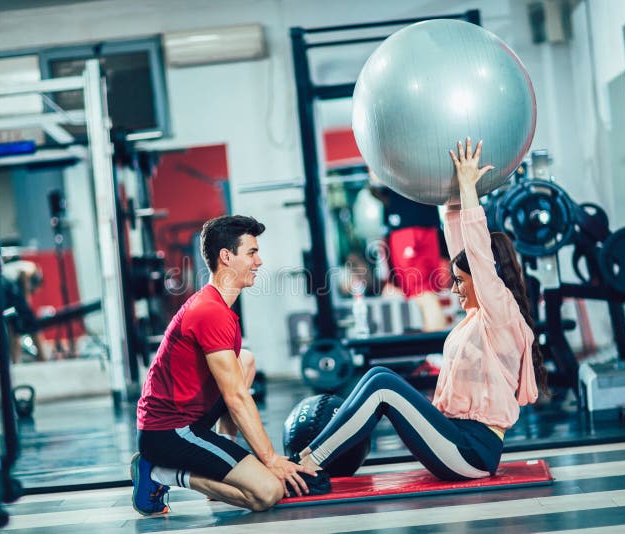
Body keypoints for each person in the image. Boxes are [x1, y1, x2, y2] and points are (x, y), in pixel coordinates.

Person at [291, 139, 549, 481]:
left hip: (472, 450)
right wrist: (455, 195)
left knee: (382, 383)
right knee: (376, 376)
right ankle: (310, 457)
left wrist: (471, 187)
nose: (454, 288)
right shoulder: (478, 318)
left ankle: (308, 462)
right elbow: (461, 246)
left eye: (461, 281)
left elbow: (476, 252)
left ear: (487, 280)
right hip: (454, 433)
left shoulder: (500, 313)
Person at [130, 215, 330, 516]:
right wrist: (271, 459)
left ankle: (220, 460)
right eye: (251, 252)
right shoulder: (210, 312)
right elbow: (236, 398)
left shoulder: (216, 305)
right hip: (169, 432)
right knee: (268, 492)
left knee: (245, 359)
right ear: (226, 256)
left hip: (189, 418)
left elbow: (236, 382)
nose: (259, 261)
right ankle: (159, 472)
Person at [369, 173, 448, 332]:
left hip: (407, 227)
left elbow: (376, 175)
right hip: (427, 223)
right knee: (426, 290)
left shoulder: (390, 152)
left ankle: (436, 349)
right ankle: (437, 348)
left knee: (421, 291)